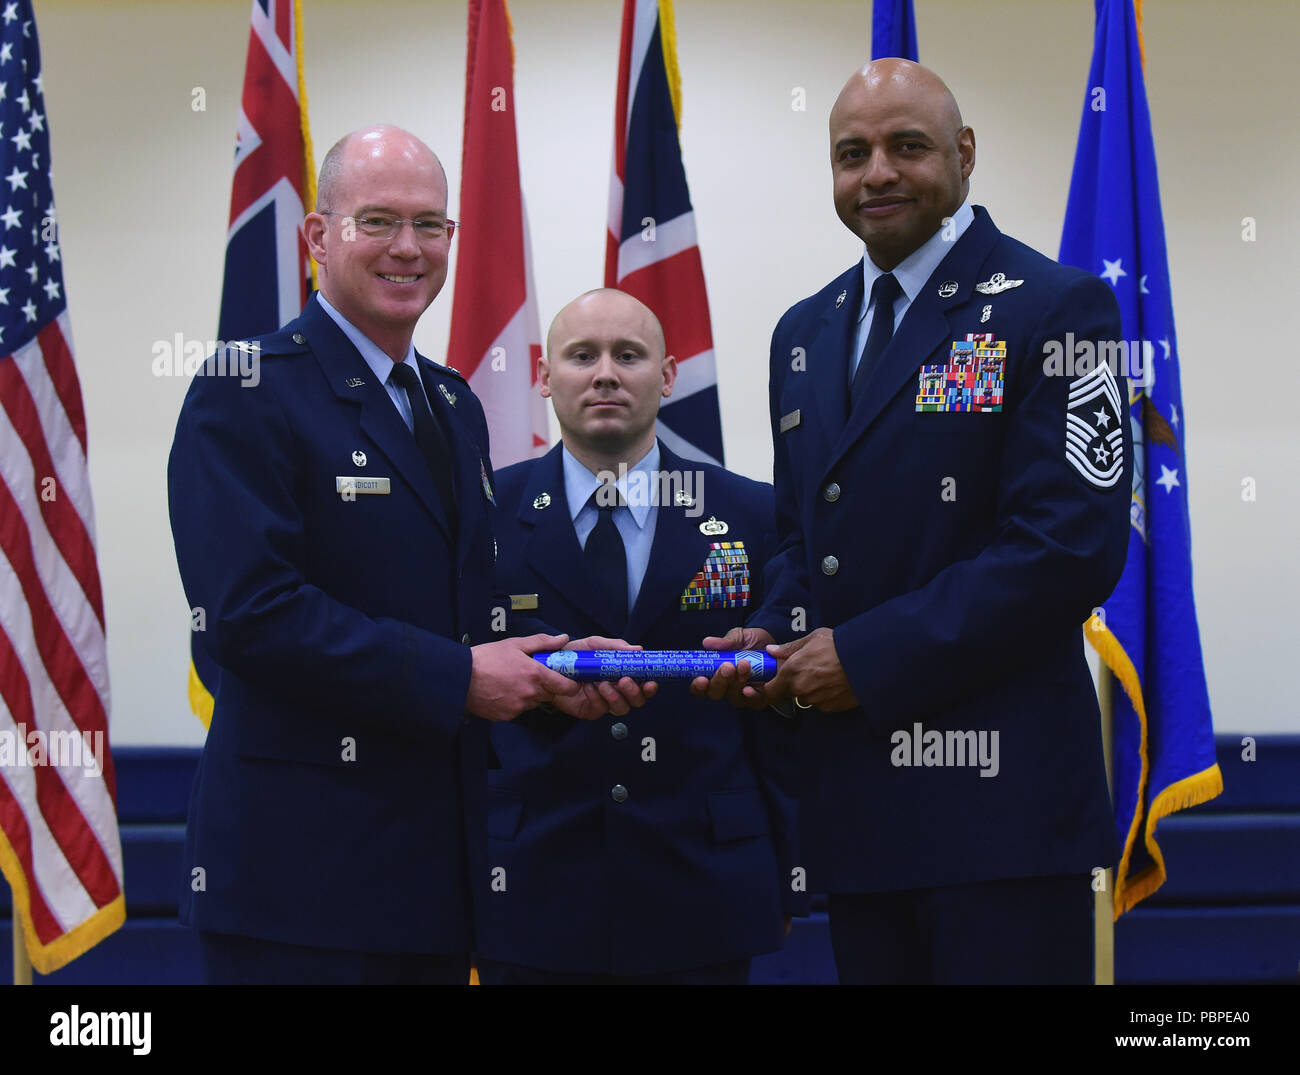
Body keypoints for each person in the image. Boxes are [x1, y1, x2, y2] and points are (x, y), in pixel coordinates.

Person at [167, 126, 641, 985]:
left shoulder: (452, 405)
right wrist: (462, 678)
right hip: (297, 884)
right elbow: (249, 614)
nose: (408, 247)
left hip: (435, 880)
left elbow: (464, 619)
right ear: (318, 236)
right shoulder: (247, 389)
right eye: (378, 220)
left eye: (430, 224)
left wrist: (549, 675)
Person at [695, 59, 1132, 984]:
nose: (878, 173)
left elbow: (1067, 548)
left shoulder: (1056, 306)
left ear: (964, 153)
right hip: (860, 815)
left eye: (907, 146)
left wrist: (861, 657)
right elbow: (804, 542)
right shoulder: (804, 332)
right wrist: (773, 631)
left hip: (1004, 819)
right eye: (851, 154)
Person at [475, 288, 805, 984]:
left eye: (628, 355)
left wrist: (788, 867)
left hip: (706, 887)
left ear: (668, 375)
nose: (605, 374)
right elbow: (461, 698)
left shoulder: (752, 512)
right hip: (528, 891)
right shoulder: (484, 518)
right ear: (544, 376)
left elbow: (778, 720)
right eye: (582, 356)